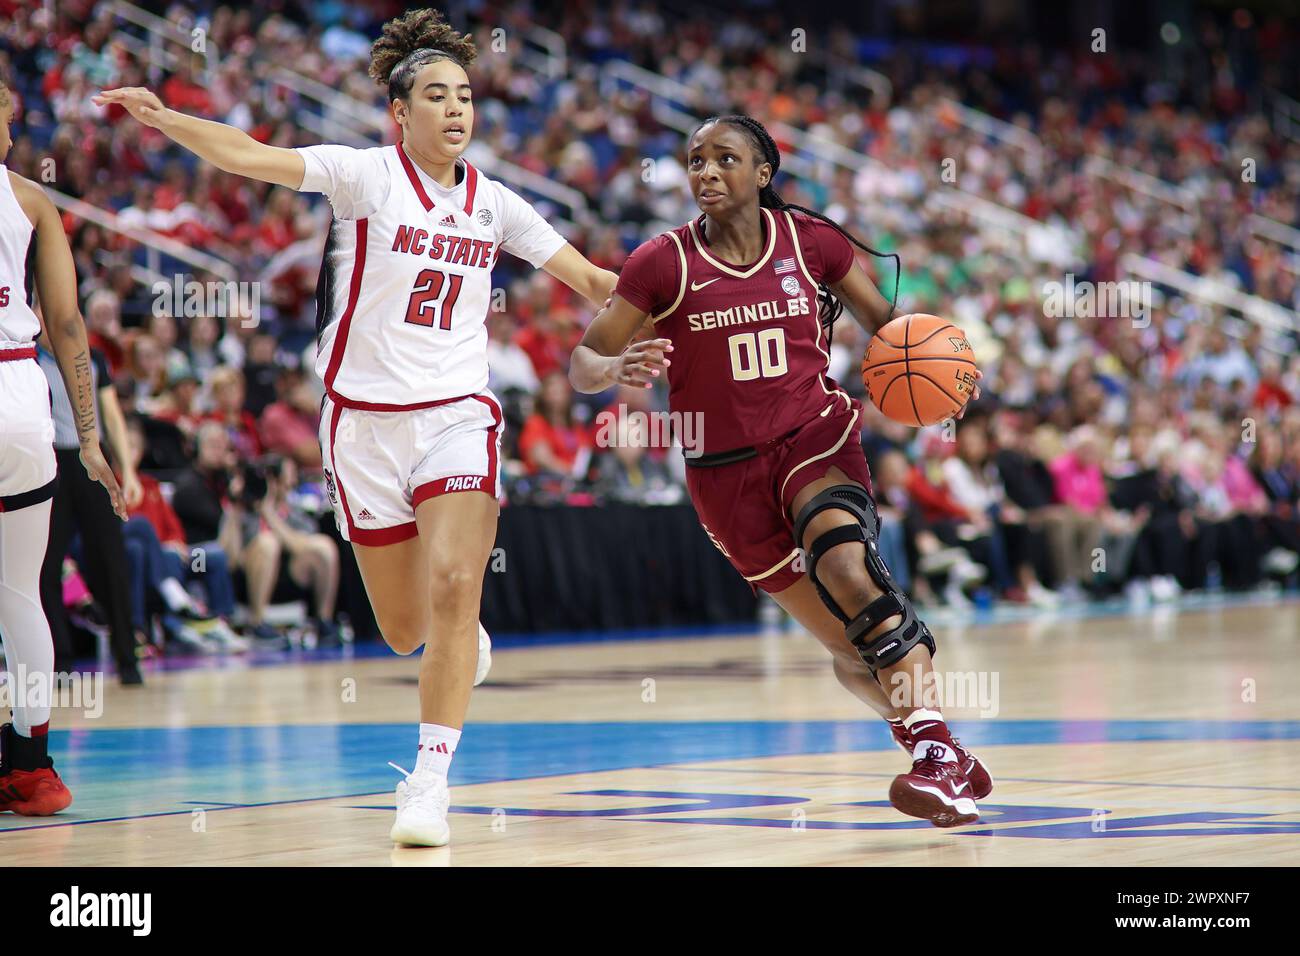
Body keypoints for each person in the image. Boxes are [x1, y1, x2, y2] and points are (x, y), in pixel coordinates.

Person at [98, 7, 618, 846]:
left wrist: (689, 300)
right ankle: (459, 643)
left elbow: (595, 280)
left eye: (467, 96)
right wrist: (167, 119)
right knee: (404, 629)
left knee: (455, 587)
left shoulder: (498, 204)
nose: (457, 110)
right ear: (399, 114)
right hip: (362, 429)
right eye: (438, 96)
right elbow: (252, 156)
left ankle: (430, 781)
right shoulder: (364, 175)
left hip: (457, 417)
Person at [571, 113, 991, 827]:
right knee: (849, 649)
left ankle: (931, 754)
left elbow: (890, 332)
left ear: (762, 172)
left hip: (813, 437)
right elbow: (583, 363)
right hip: (721, 476)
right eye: (695, 160)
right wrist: (616, 363)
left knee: (847, 567)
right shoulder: (660, 262)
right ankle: (943, 750)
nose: (705, 171)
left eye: (724, 158)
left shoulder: (812, 242)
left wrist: (939, 365)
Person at [0, 78, 126, 815]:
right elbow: (69, 327)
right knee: (22, 597)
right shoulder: (33, 200)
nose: (12, 135)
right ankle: (32, 769)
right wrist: (91, 438)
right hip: (20, 398)